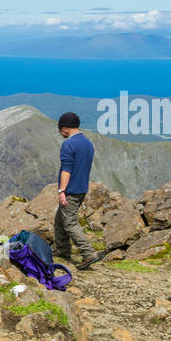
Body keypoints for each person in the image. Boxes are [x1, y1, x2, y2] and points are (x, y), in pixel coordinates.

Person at [54, 111, 102, 270]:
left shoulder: (68, 144)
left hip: (71, 190)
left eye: (60, 128)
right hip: (82, 188)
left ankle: (88, 253)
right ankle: (63, 250)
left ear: (66, 128)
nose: (60, 132)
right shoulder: (88, 143)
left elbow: (66, 170)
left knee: (69, 223)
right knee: (60, 219)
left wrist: (62, 191)